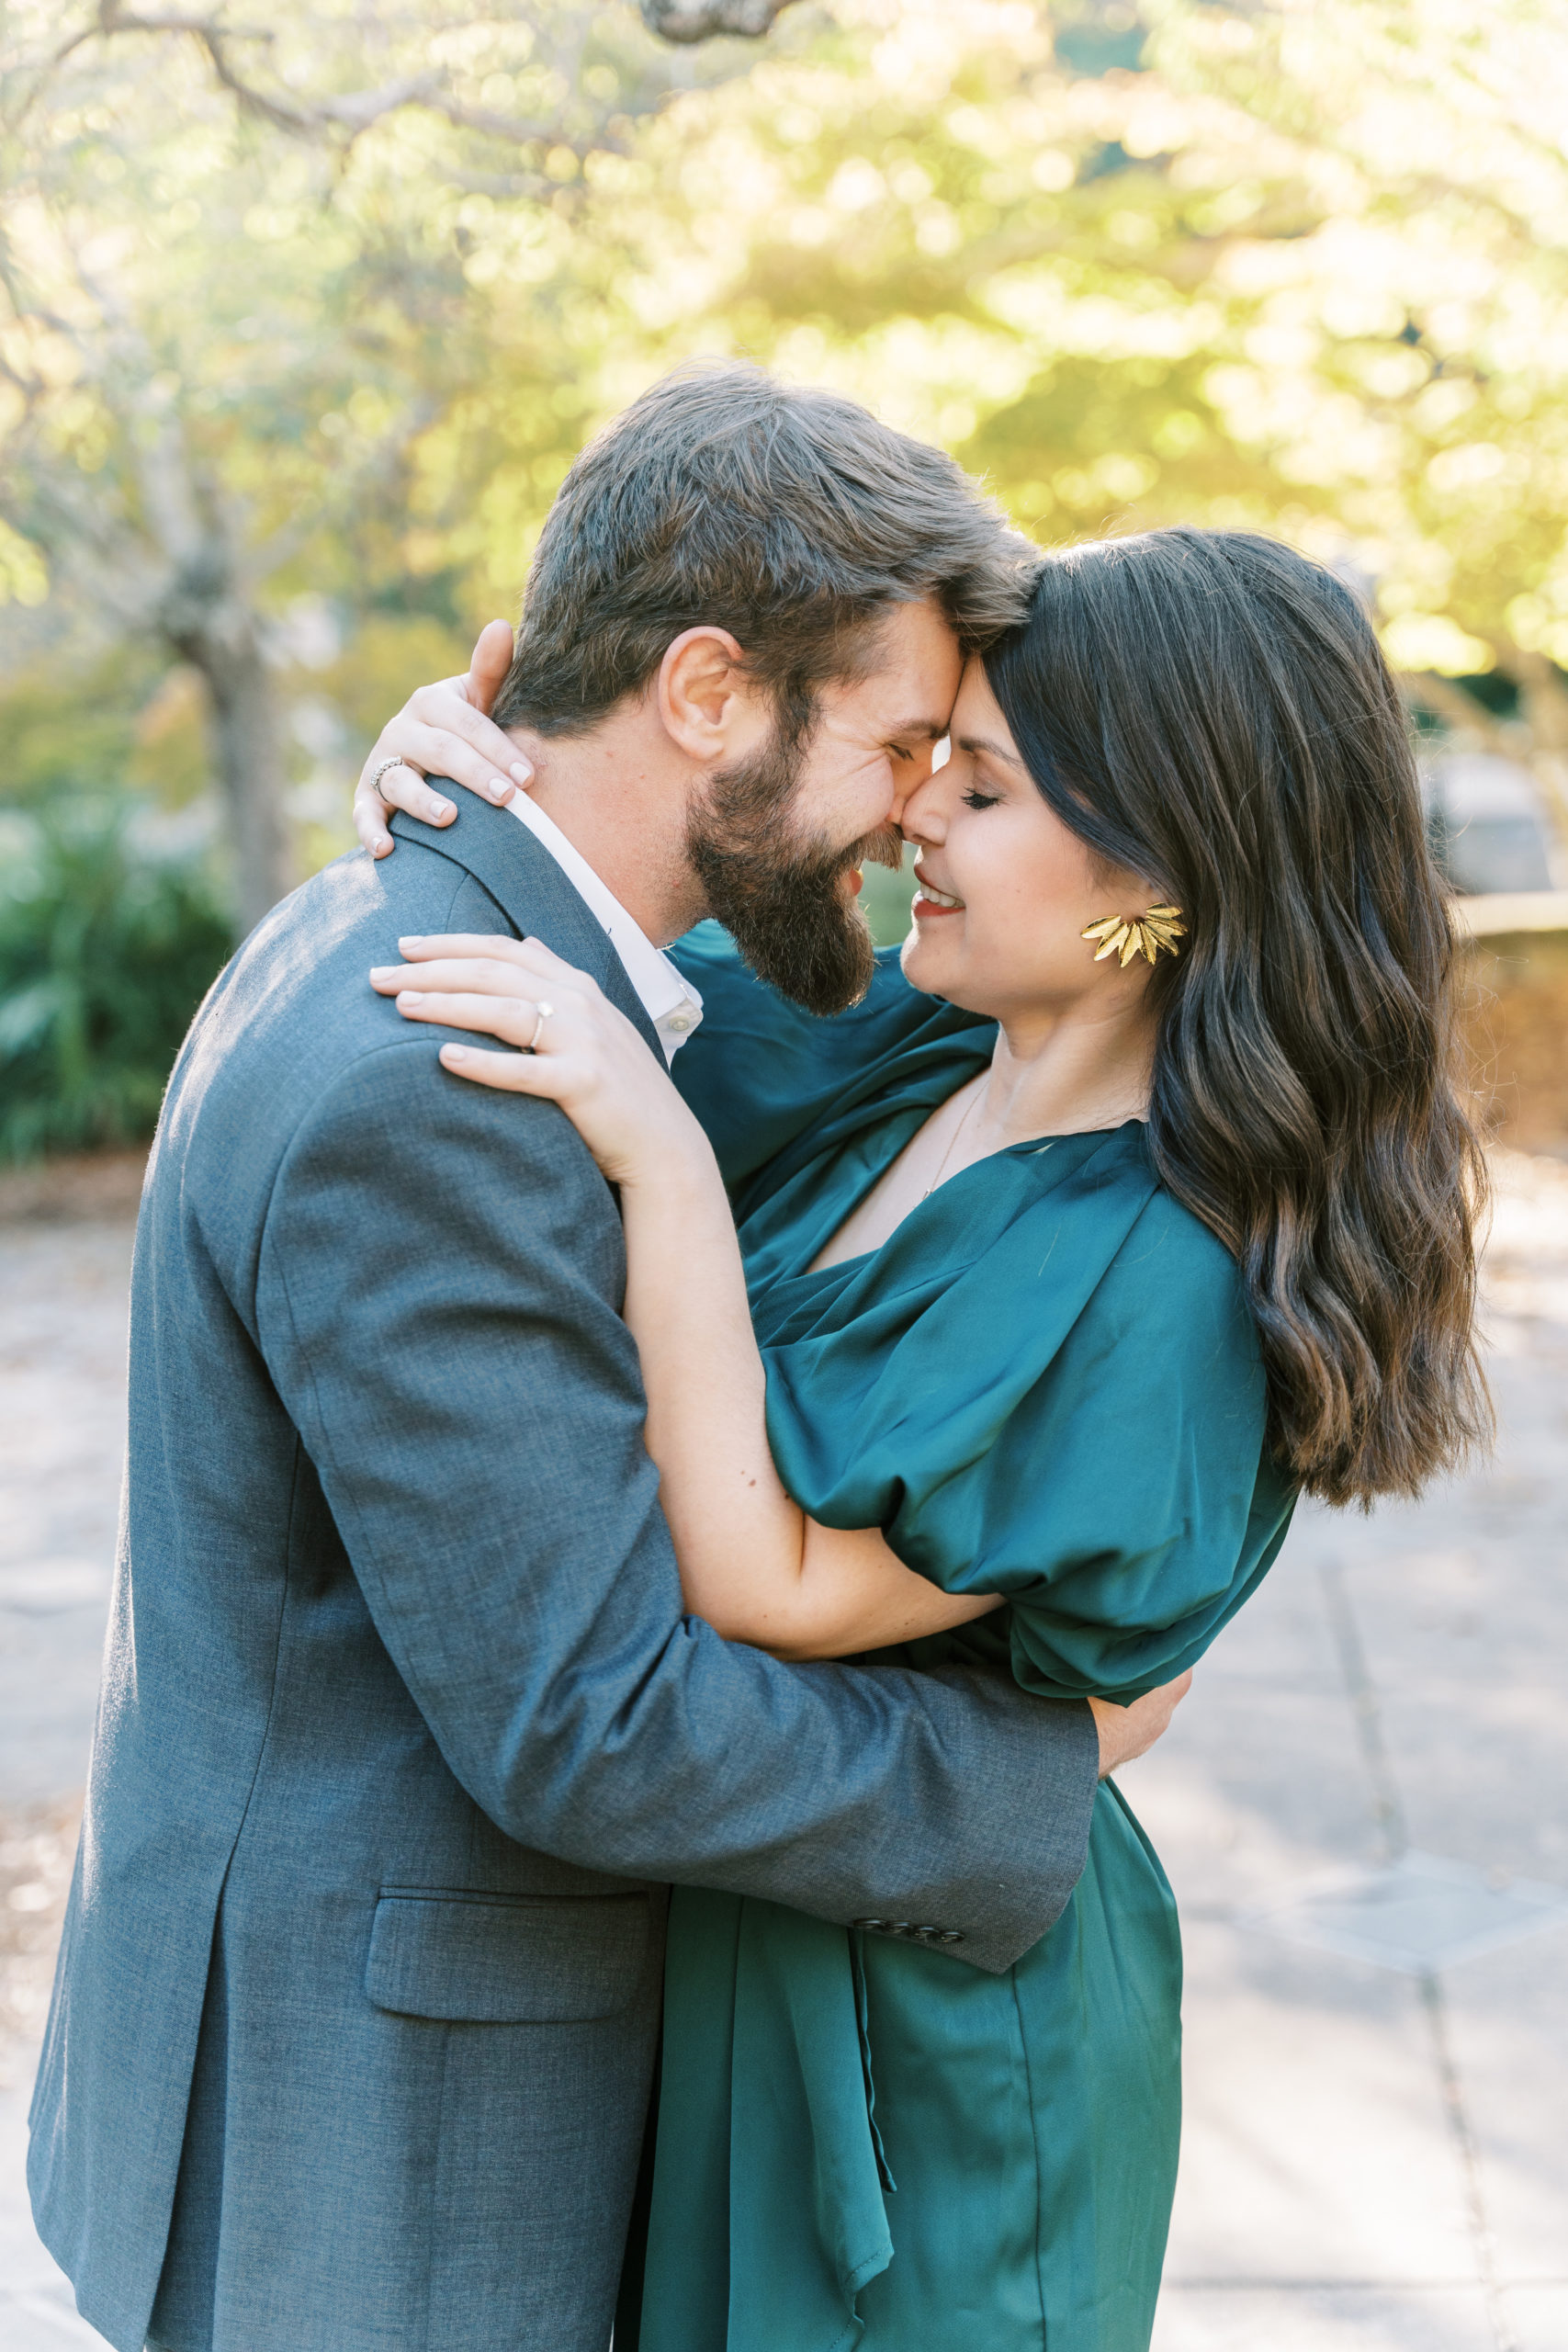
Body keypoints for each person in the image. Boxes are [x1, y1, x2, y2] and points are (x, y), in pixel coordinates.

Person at [28, 367, 1184, 2352]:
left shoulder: (398, 918)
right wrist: (1030, 1776)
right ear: (710, 691)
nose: (916, 807)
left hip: (325, 2063)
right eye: (907, 742)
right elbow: (591, 1721)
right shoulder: (446, 1070)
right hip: (389, 2154)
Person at [360, 525, 1490, 2349]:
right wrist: (469, 794)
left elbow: (765, 1576)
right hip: (768, 1936)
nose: (911, 824)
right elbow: (593, 975)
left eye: (976, 785)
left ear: (1161, 868)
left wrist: (652, 1151)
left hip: (942, 2029)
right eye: (927, 768)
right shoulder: (910, 1052)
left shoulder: (1140, 1270)